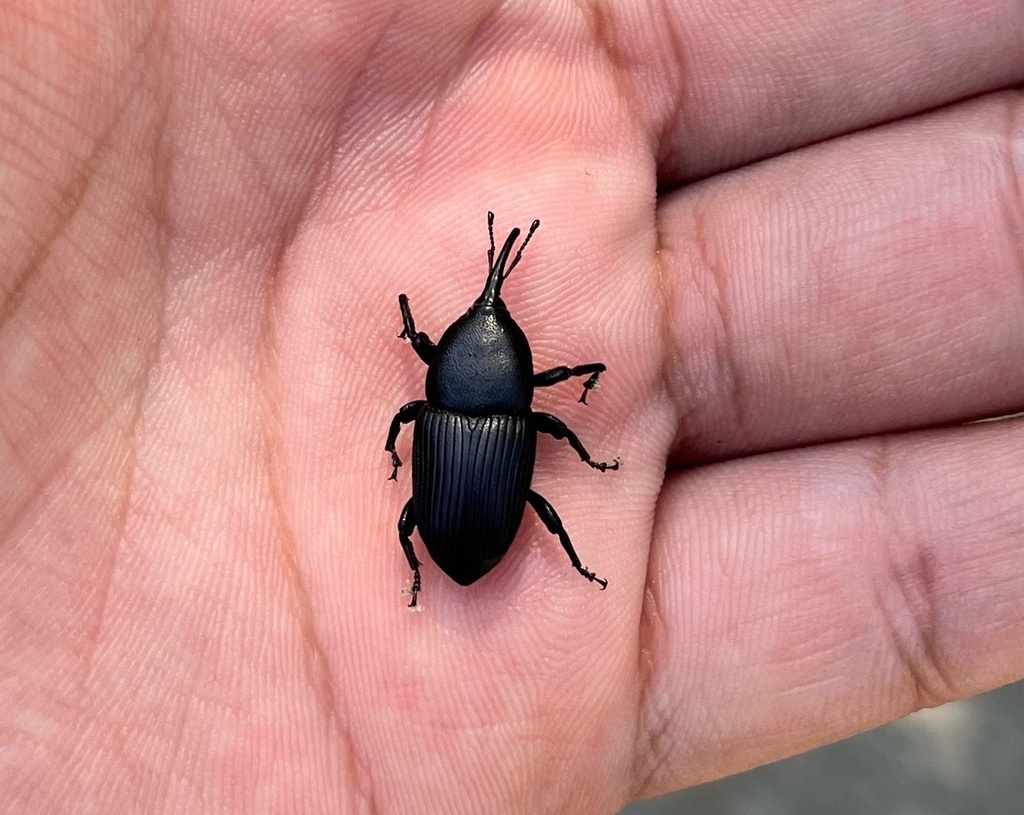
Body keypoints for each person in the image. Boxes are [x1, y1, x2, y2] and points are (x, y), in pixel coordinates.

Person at [1, 0, 1021, 811]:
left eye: (485, 313)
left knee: (492, 502)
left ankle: (490, 565)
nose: (489, 304)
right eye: (482, 310)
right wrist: (548, 408)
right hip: (471, 496)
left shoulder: (447, 406)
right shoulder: (496, 401)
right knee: (531, 494)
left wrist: (473, 394)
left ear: (460, 367)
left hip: (459, 493)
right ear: (491, 368)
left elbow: (449, 413)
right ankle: (514, 562)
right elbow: (528, 415)